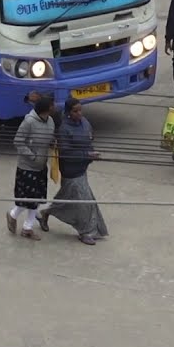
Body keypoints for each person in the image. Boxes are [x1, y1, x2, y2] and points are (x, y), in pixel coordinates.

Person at [37, 99, 107, 245]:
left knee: (67, 199)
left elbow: (89, 139)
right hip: (71, 171)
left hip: (82, 167)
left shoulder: (85, 123)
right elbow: (66, 153)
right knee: (84, 202)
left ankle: (45, 213)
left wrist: (92, 153)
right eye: (75, 111)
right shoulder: (64, 129)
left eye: (80, 110)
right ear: (68, 113)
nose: (79, 113)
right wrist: (87, 155)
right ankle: (85, 232)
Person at [7, 95, 56, 240]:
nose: (54, 107)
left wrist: (52, 143)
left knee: (36, 198)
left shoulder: (50, 121)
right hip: (28, 167)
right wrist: (32, 156)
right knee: (30, 199)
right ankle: (25, 226)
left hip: (41, 166)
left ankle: (18, 220)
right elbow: (18, 141)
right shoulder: (28, 122)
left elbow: (49, 137)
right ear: (46, 109)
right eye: (52, 105)